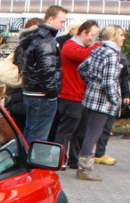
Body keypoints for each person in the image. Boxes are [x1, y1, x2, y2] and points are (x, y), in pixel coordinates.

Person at [76, 26, 127, 181]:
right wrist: (115, 99)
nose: (124, 38)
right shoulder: (112, 55)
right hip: (103, 102)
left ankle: (84, 166)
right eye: (121, 35)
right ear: (113, 36)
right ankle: (84, 169)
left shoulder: (98, 50)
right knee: (93, 134)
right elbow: (109, 82)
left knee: (90, 132)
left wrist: (92, 82)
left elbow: (82, 68)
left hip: (91, 98)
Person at [53, 20, 100, 169]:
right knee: (66, 131)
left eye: (96, 37)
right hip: (70, 96)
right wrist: (102, 45)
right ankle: (58, 161)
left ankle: (73, 160)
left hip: (82, 97)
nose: (93, 40)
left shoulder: (83, 47)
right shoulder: (69, 46)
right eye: (92, 35)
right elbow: (84, 55)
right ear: (83, 32)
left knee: (81, 132)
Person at [18, 5, 68, 144]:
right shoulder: (47, 40)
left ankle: (26, 161)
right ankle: (32, 164)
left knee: (30, 131)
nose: (63, 26)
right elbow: (47, 70)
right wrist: (52, 94)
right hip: (42, 95)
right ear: (51, 19)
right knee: (38, 136)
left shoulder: (34, 37)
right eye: (62, 21)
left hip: (31, 91)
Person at [4, 18, 43, 133]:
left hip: (17, 96)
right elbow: (25, 71)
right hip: (22, 96)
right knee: (25, 132)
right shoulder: (28, 48)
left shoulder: (21, 47)